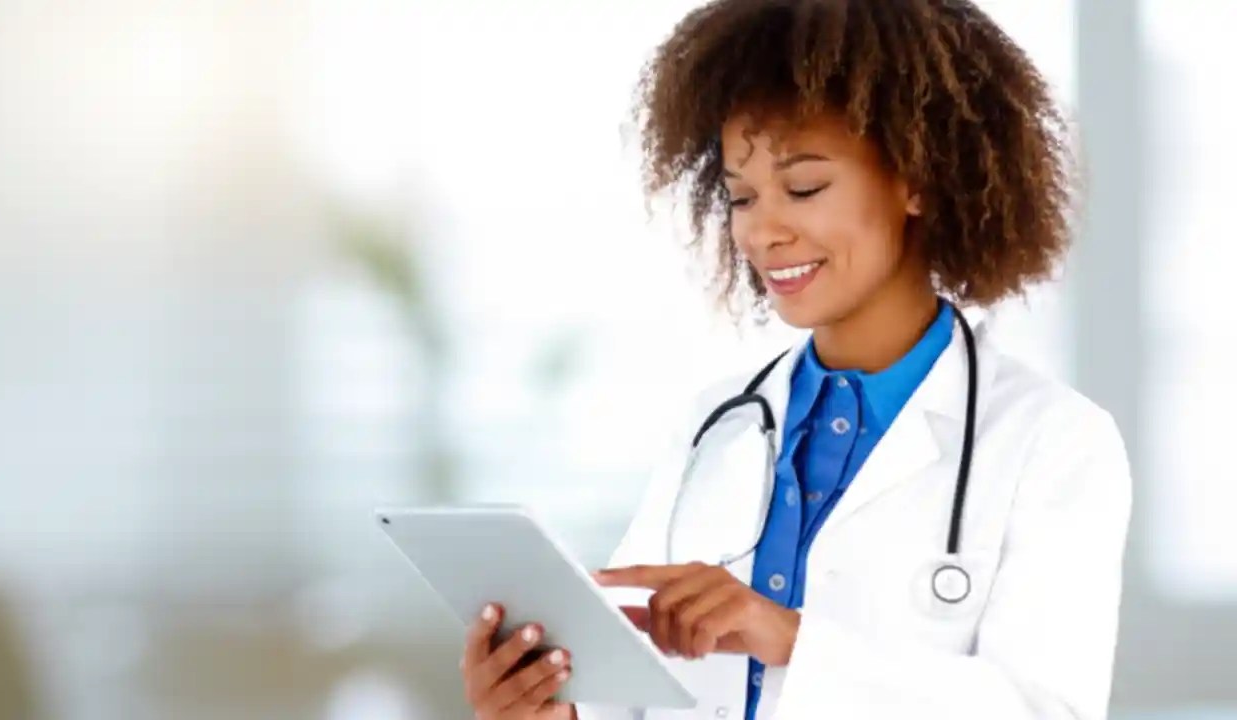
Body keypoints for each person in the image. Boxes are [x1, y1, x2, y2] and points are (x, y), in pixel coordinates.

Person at [458, 0, 1132, 718]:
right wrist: (547, 707)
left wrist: (788, 639)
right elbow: (638, 692)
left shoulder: (1053, 442)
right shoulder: (717, 425)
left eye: (804, 188)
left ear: (919, 178)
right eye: (741, 197)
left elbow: (1045, 711)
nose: (762, 232)